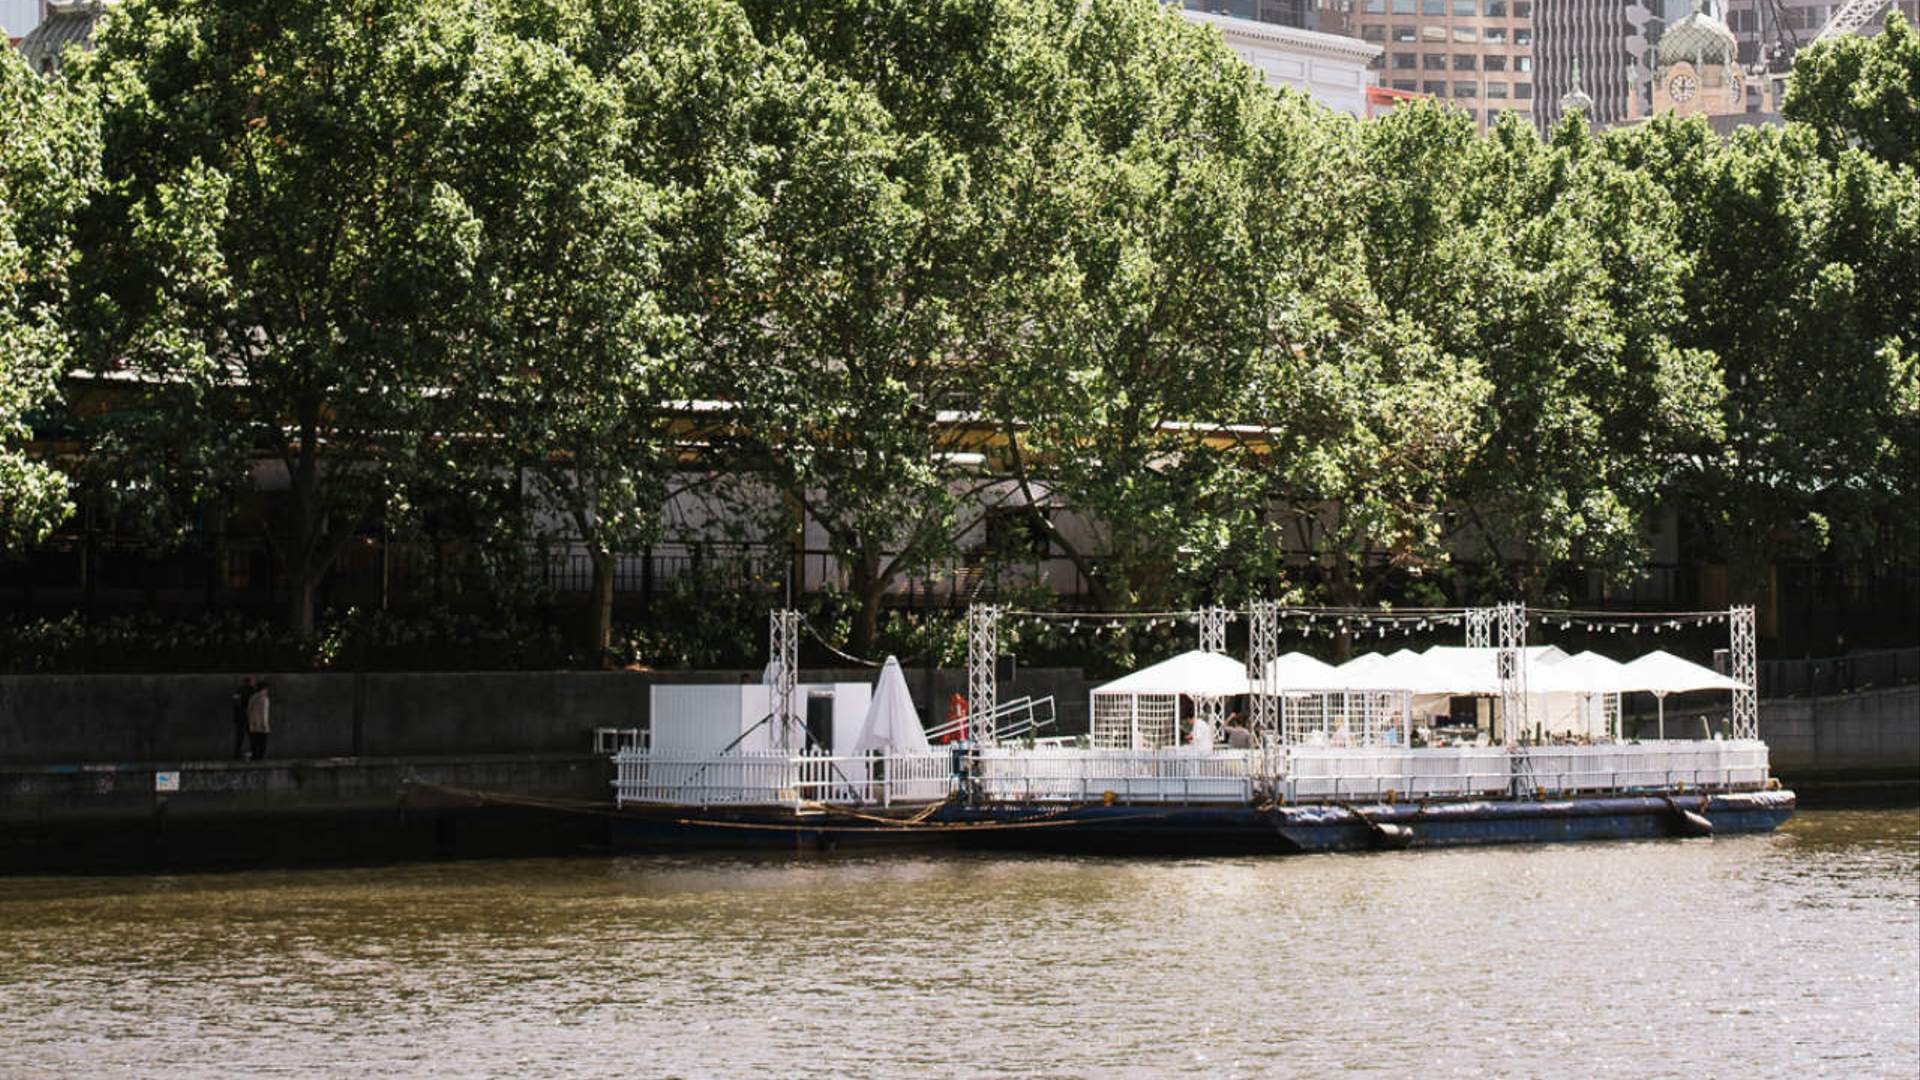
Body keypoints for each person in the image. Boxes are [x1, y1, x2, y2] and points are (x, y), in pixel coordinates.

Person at [230, 676, 255, 760]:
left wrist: (236, 716)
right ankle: (254, 754)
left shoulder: (239, 690)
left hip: (241, 717)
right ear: (250, 682)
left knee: (239, 737)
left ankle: (236, 755)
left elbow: (235, 703)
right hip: (250, 717)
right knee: (252, 737)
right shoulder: (253, 691)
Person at [246, 679, 271, 760]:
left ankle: (254, 757)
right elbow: (264, 713)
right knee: (262, 743)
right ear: (264, 689)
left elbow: (248, 710)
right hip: (262, 726)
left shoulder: (252, 697)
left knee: (254, 743)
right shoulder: (264, 699)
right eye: (266, 689)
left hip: (253, 725)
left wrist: (251, 722)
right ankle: (260, 758)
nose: (267, 691)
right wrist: (265, 725)